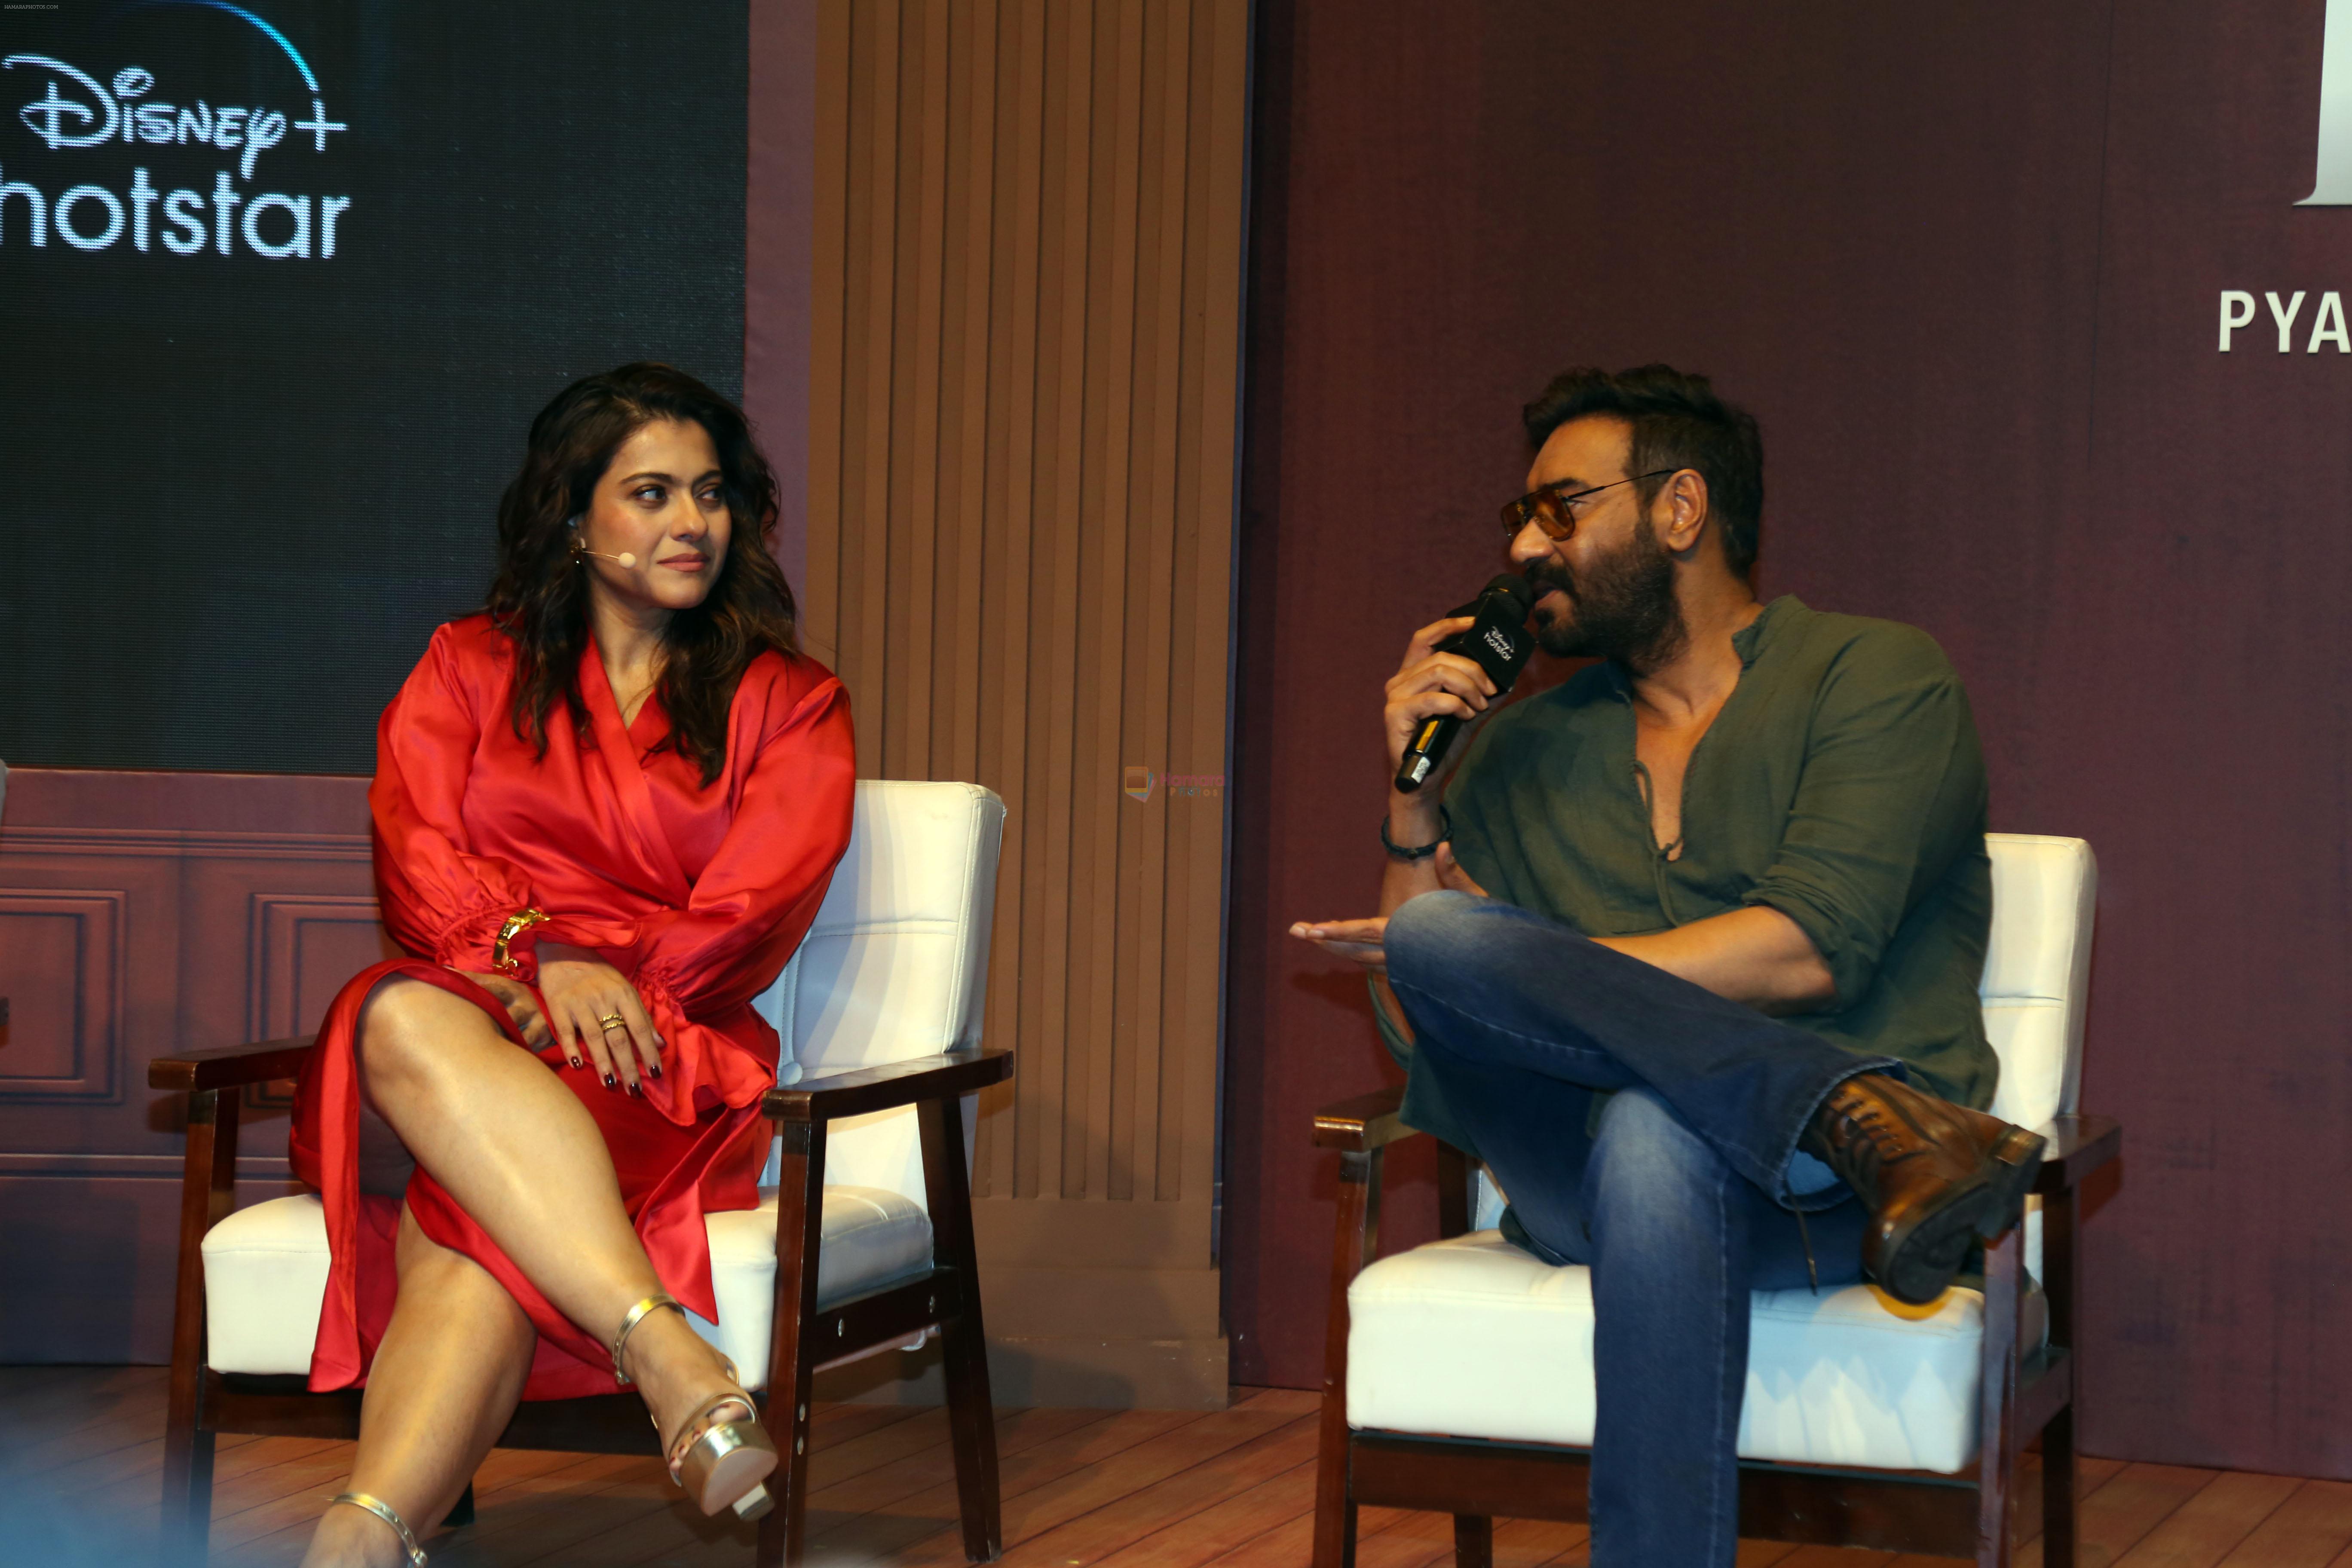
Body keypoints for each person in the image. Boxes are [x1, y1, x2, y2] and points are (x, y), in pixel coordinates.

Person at [1289, 364, 2041, 1568]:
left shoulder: (1879, 677)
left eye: (1562, 508)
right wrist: (1413, 798)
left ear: (1680, 509)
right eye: (1522, 519)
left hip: (1836, 1202)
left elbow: (1807, 950)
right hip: (1577, 1173)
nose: (1531, 547)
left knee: (1653, 1127)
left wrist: (1555, 973)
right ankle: (1871, 1116)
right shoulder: (1526, 744)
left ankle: (1848, 1125)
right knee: (1436, 937)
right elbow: (1421, 1022)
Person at [286, 363, 856, 1568]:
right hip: (473, 1014)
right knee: (393, 1016)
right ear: (571, 515)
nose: (690, 522)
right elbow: (417, 858)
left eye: (710, 494)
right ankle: (662, 1346)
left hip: (661, 1050)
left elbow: (757, 908)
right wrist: (539, 960)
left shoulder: (789, 704)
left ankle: (363, 1540)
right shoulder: (465, 666)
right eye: (649, 494)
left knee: (470, 1206)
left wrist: (615, 990)